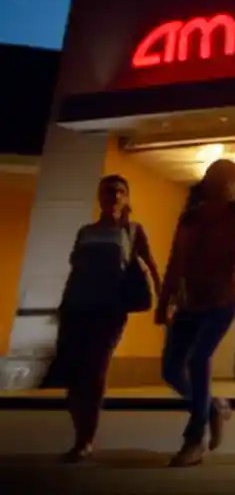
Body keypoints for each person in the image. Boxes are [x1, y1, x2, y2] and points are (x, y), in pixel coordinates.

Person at [46, 175, 161, 463]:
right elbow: (76, 270)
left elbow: (152, 266)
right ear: (99, 196)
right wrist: (62, 306)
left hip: (109, 310)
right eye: (108, 191)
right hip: (77, 307)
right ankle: (78, 435)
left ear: (126, 198)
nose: (114, 196)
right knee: (74, 374)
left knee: (95, 371)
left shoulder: (132, 231)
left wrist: (165, 301)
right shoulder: (86, 231)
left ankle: (86, 440)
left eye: (120, 191)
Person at [156, 159, 235, 467]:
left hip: (222, 299)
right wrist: (164, 302)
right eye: (225, 181)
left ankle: (194, 438)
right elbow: (176, 261)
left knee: (199, 357)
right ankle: (212, 407)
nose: (232, 187)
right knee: (170, 370)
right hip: (190, 301)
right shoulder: (190, 219)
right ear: (211, 185)